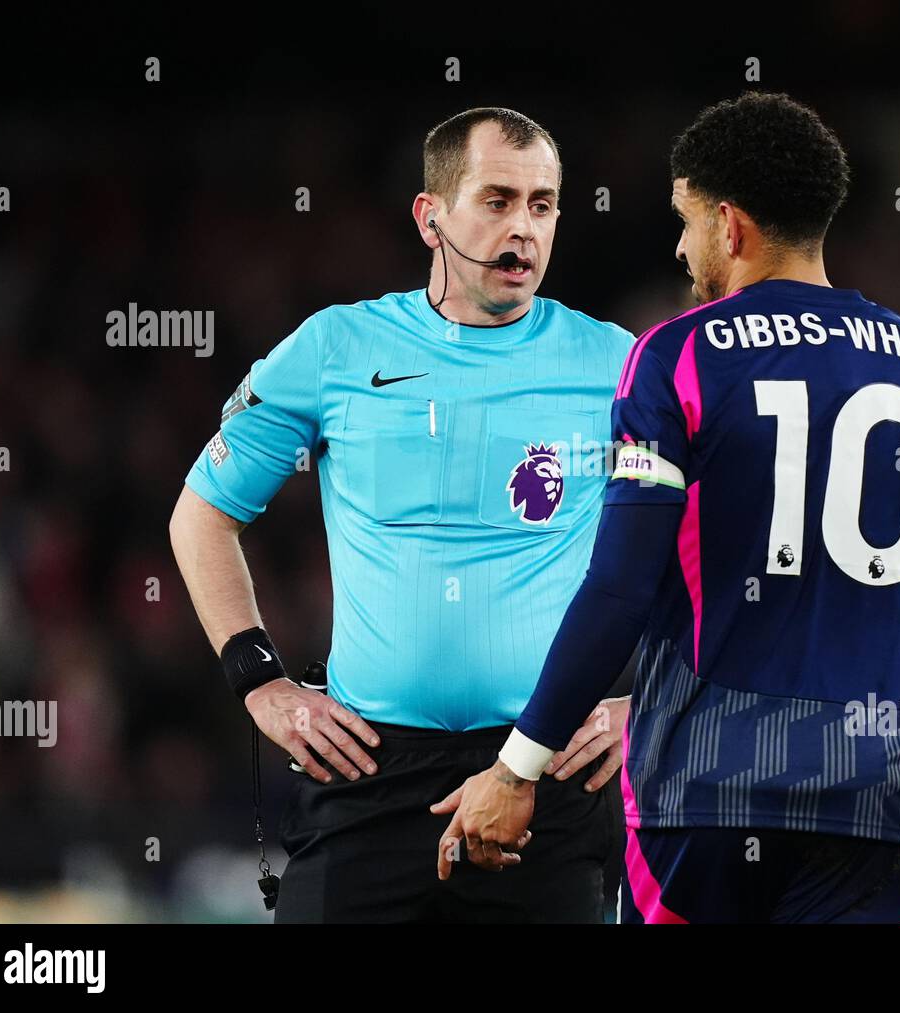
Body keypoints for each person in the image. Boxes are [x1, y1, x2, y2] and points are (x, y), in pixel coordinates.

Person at [432, 92, 900, 924]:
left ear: (730, 225)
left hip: (701, 800)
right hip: (866, 806)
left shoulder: (677, 357)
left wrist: (518, 769)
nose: (683, 247)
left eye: (686, 221)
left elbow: (618, 589)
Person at [169, 107, 633, 923]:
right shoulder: (337, 349)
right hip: (367, 777)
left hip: (544, 775)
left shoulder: (618, 365)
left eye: (542, 204)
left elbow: (716, 535)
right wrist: (261, 682)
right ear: (430, 216)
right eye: (496, 200)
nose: (522, 228)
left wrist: (656, 697)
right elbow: (202, 514)